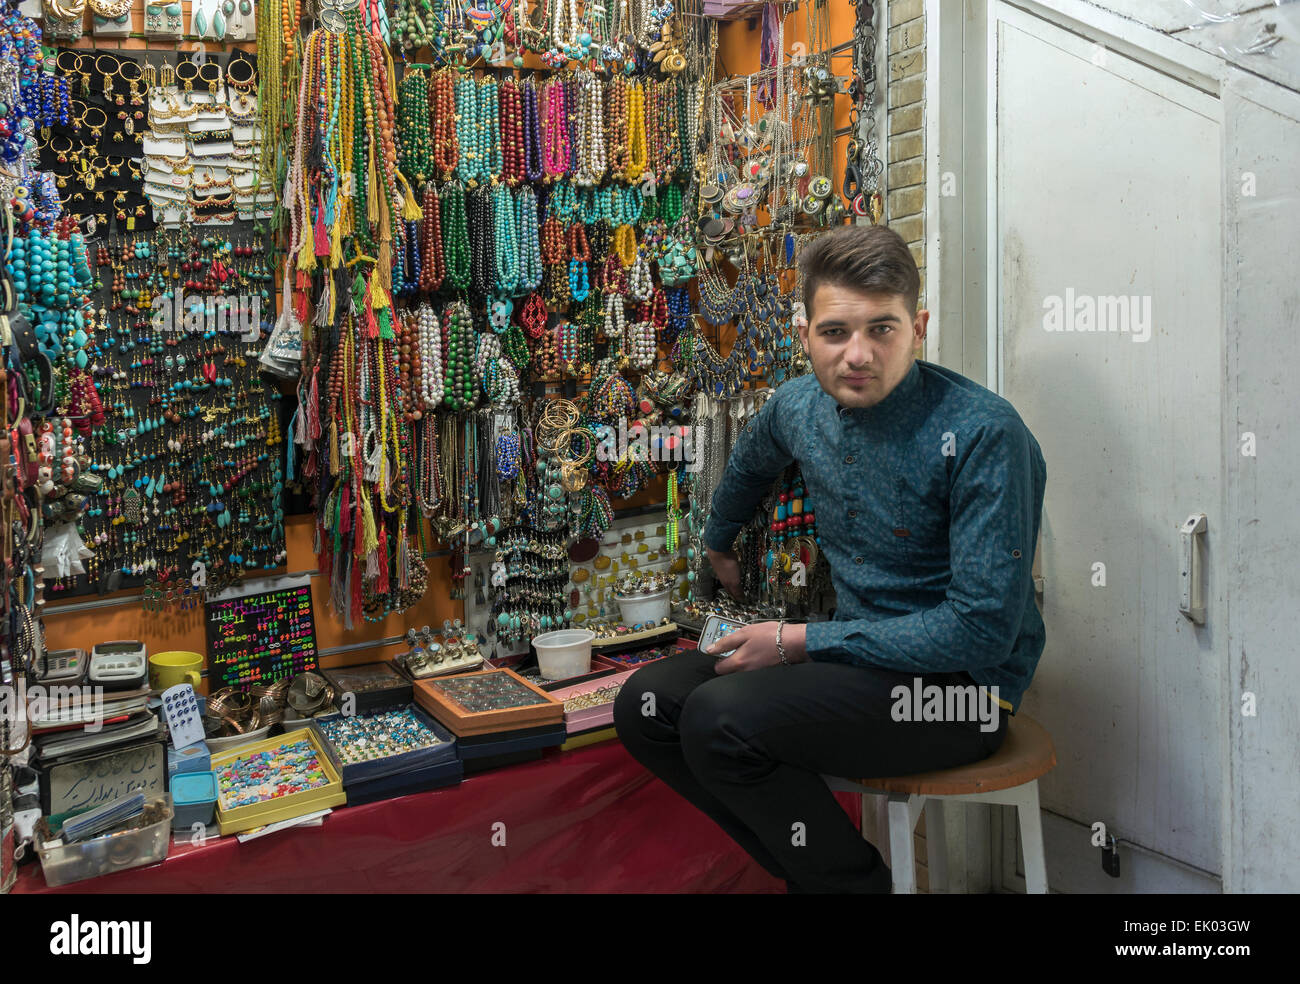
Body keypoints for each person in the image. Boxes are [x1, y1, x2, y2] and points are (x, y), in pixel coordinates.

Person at [613, 224, 1047, 893]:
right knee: (647, 705)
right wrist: (718, 542)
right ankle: (827, 879)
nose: (858, 355)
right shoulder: (798, 405)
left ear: (918, 326)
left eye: (883, 329)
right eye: (836, 332)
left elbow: (981, 626)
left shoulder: (984, 433)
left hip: (964, 692)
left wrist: (800, 642)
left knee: (720, 719)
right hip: (860, 661)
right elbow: (749, 467)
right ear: (805, 332)